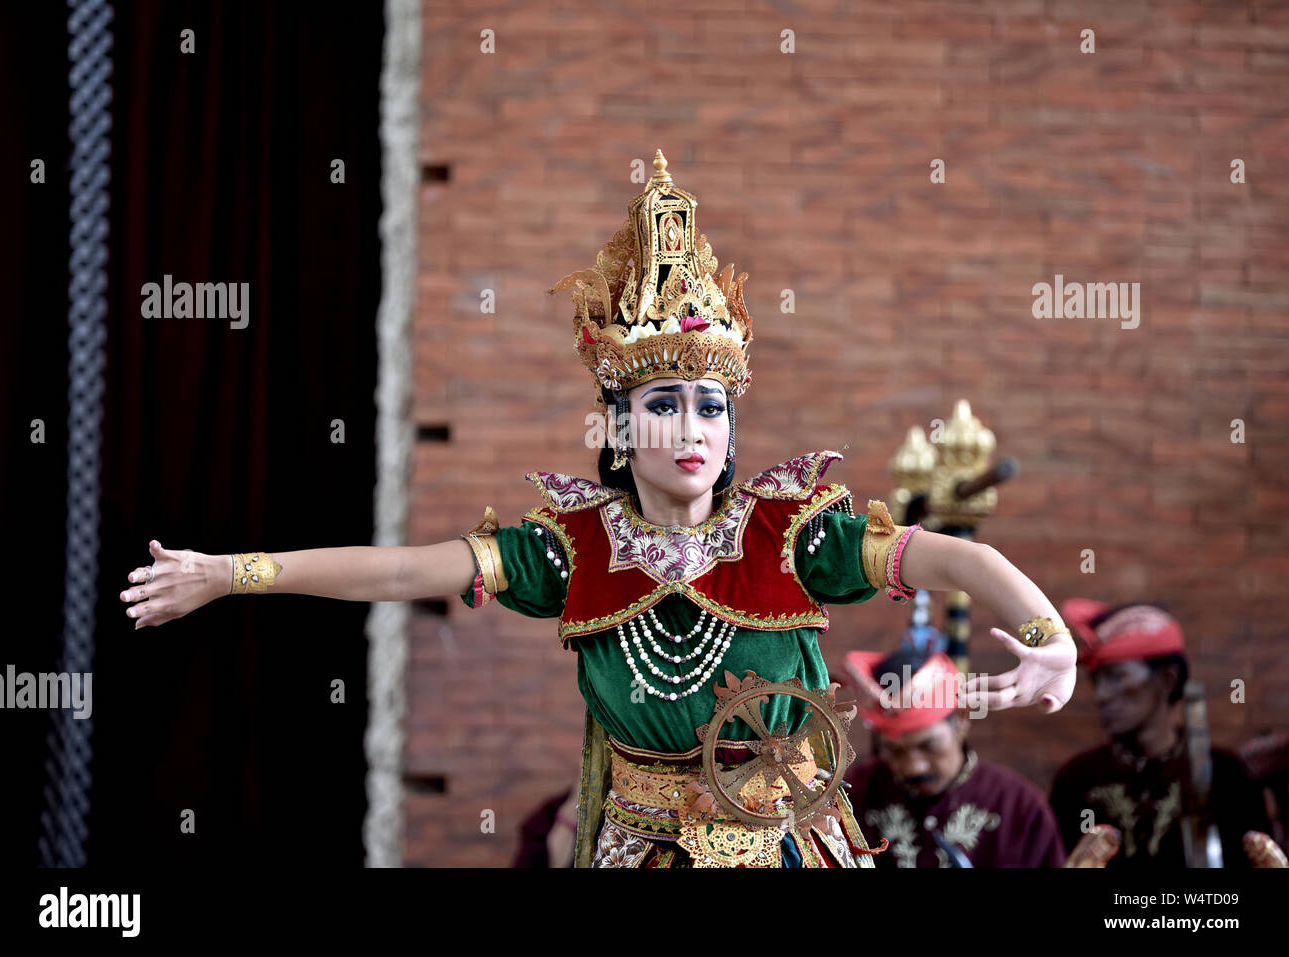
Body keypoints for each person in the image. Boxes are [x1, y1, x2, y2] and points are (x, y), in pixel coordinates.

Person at [119, 149, 1078, 868]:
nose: (693, 424)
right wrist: (230, 575)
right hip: (635, 841)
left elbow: (955, 559)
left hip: (781, 838)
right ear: (617, 430)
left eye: (712, 405)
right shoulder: (572, 547)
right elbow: (406, 570)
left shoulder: (789, 531)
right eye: (663, 404)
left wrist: (1048, 636)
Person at [1049, 599, 1271, 868]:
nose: (1102, 695)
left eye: (1117, 677)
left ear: (1168, 679)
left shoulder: (1226, 775)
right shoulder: (1076, 780)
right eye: (1097, 681)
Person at [843, 643, 1066, 867]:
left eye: (928, 746)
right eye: (893, 750)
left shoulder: (1019, 808)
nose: (913, 767)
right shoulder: (854, 796)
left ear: (961, 717)